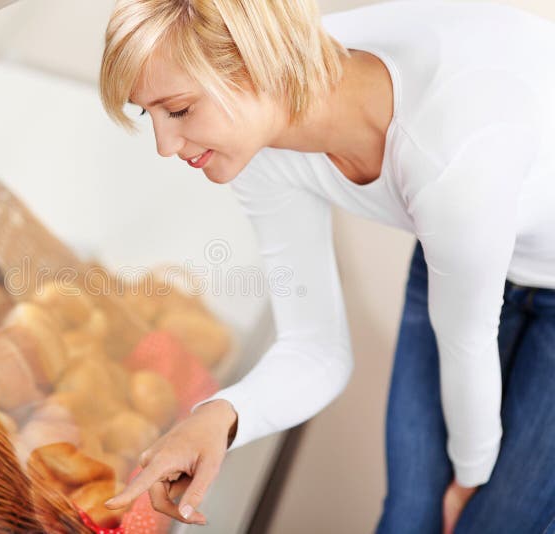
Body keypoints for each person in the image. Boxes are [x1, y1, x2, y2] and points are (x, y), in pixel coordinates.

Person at [98, 1, 555, 532]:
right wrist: (219, 417)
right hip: (463, 248)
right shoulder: (256, 139)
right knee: (407, 519)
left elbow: (467, 342)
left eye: (176, 110)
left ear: (252, 64)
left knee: (493, 524)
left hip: (493, 233)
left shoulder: (448, 158)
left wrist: (469, 482)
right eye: (146, 114)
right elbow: (315, 348)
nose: (163, 145)